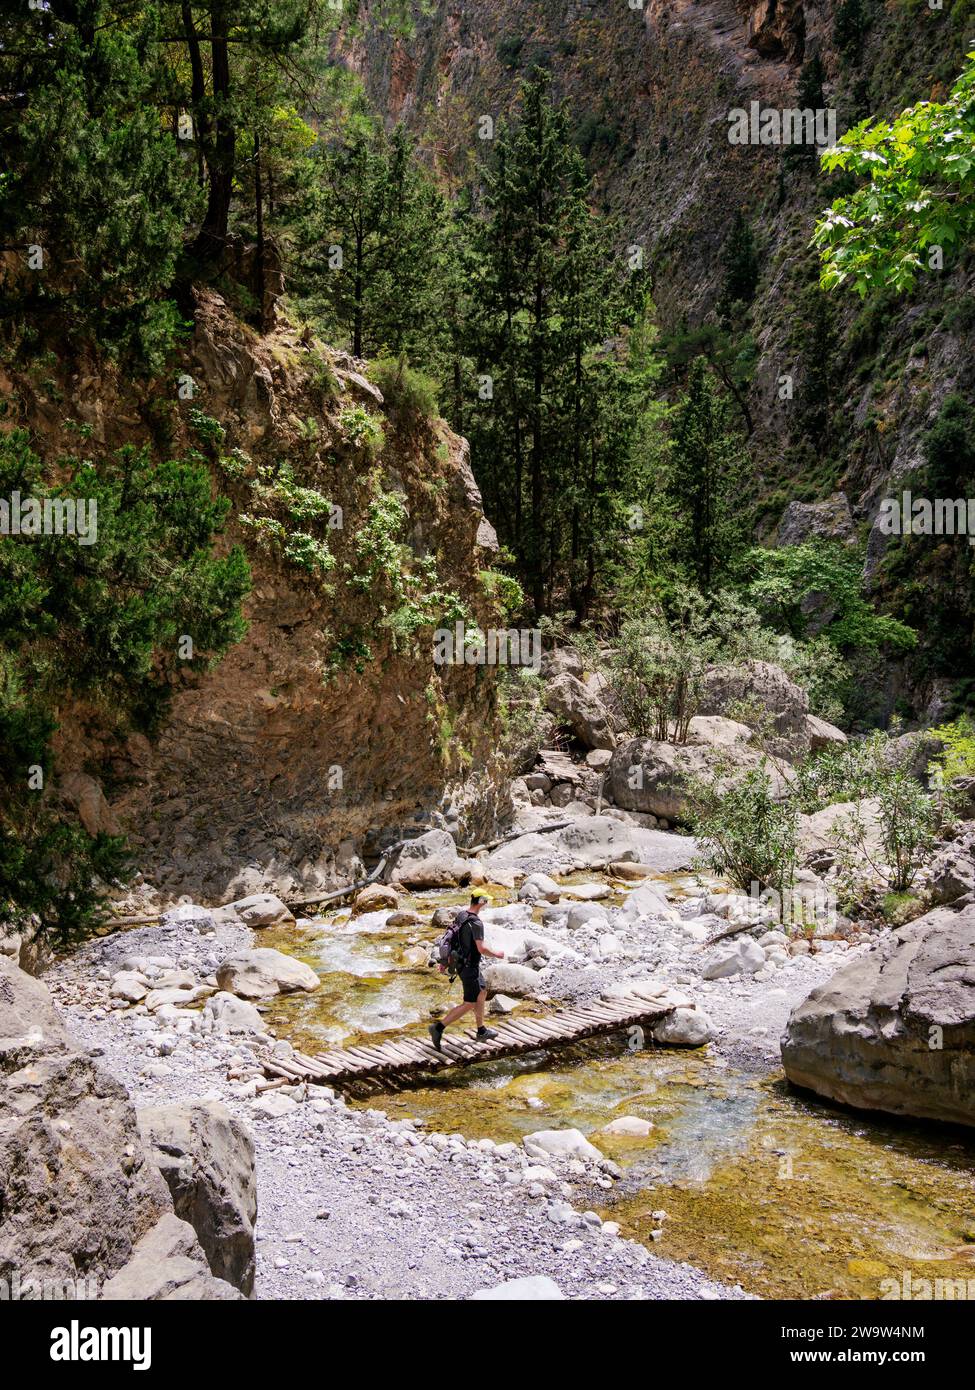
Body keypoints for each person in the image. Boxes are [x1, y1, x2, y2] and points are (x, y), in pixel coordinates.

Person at [429, 894, 505, 1050]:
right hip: (469, 967)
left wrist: (446, 961)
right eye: (486, 901)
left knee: (482, 991)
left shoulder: (462, 915)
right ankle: (438, 1028)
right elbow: (481, 948)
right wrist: (497, 954)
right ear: (482, 902)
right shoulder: (476, 923)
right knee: (469, 1003)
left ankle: (481, 1030)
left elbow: (451, 939)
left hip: (464, 964)